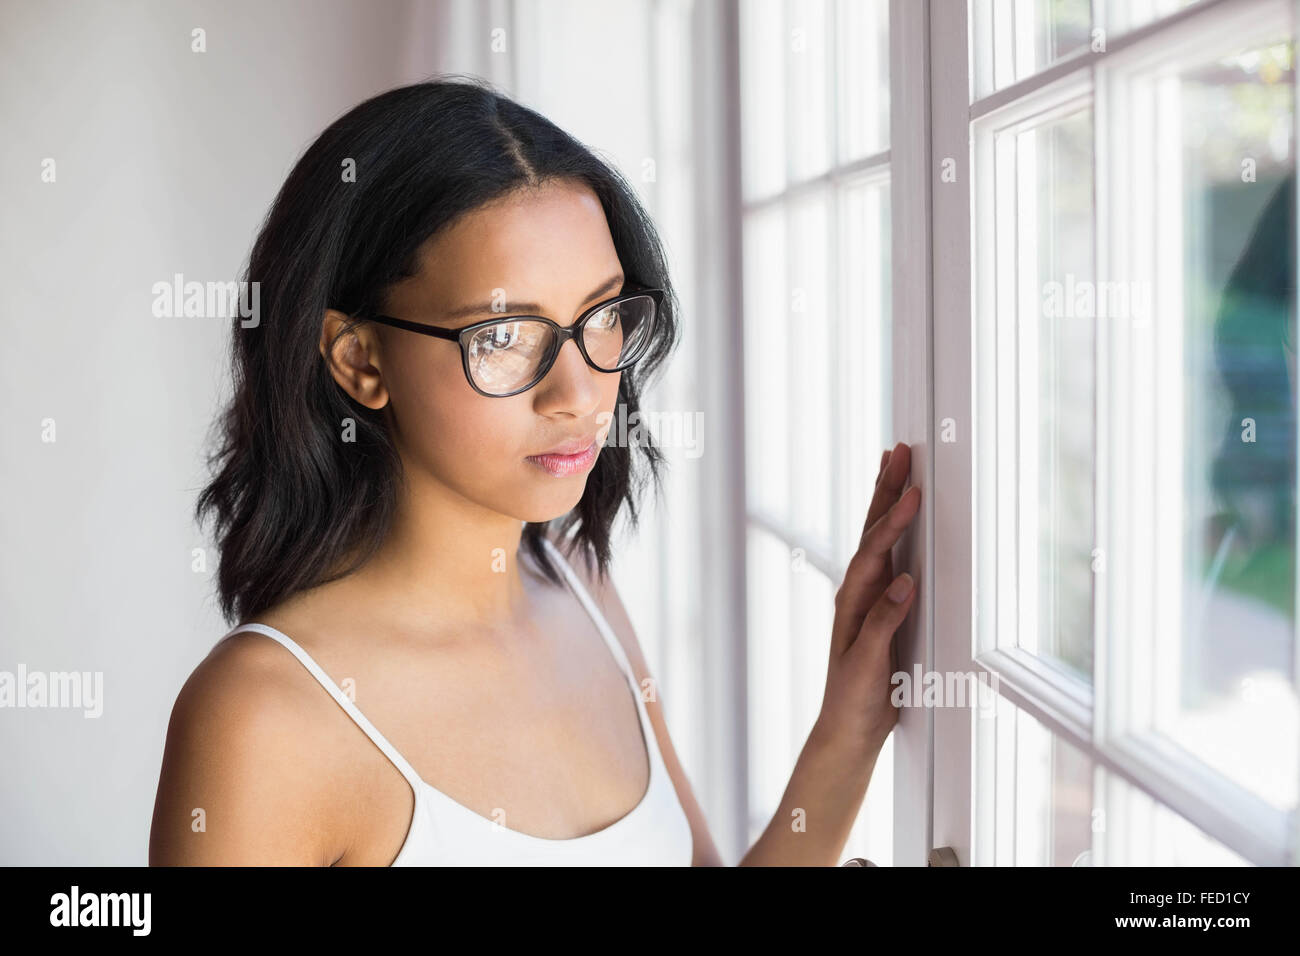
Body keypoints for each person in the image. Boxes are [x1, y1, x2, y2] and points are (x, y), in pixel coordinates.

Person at [147, 76, 921, 866]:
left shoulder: (579, 584)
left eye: (603, 315)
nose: (579, 395)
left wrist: (848, 733)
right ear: (359, 360)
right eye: (503, 335)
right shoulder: (260, 717)